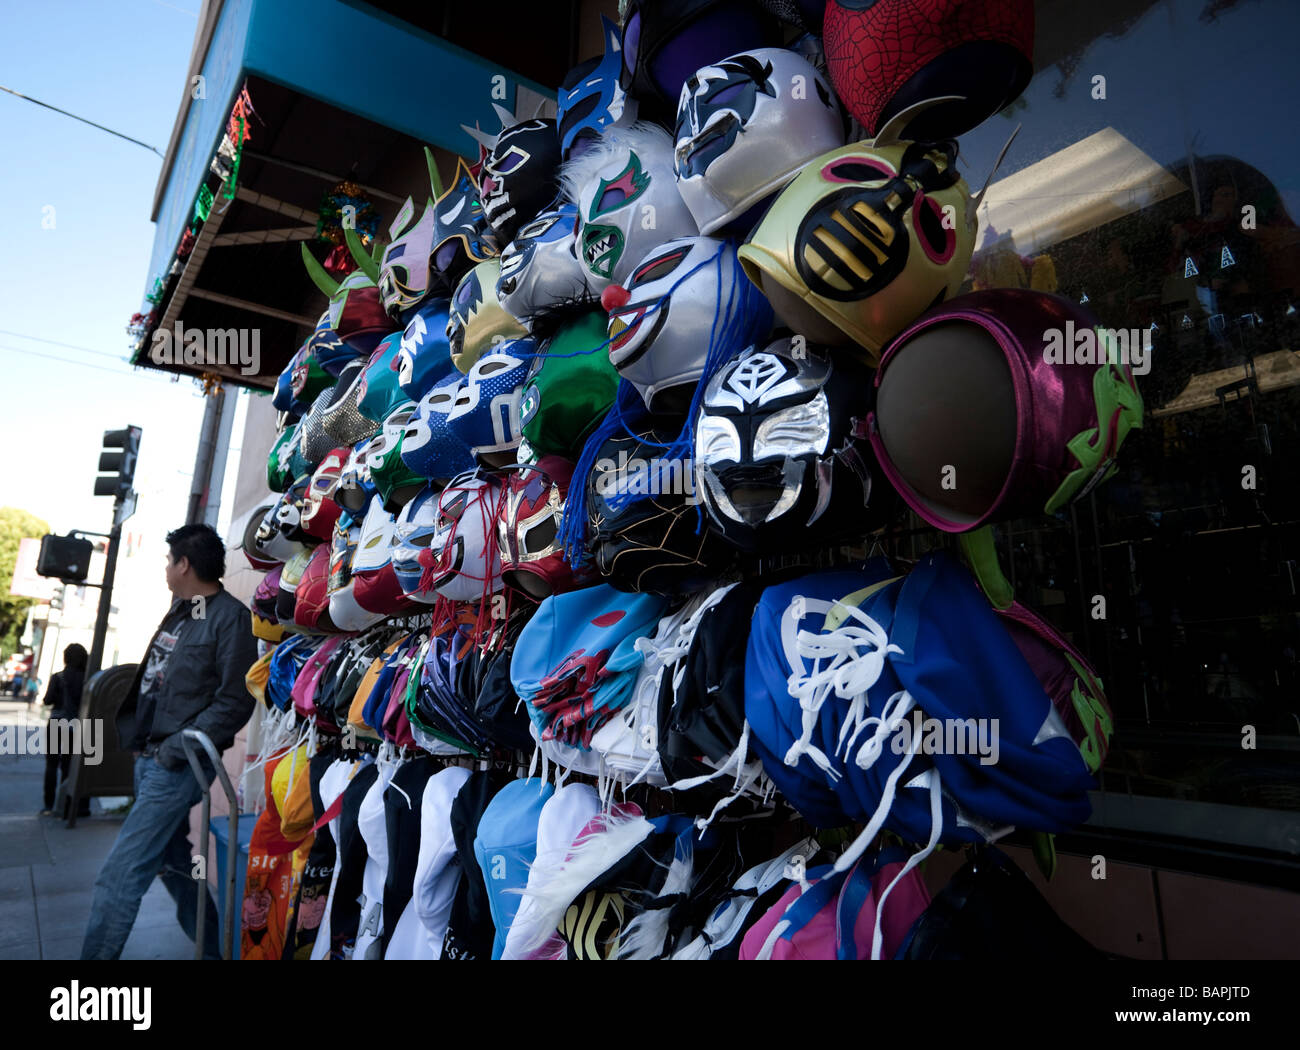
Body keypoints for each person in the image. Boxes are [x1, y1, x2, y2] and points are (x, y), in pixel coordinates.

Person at [81, 524, 258, 961]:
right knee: (173, 862)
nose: (165, 567)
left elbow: (235, 700)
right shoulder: (181, 610)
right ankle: (217, 952)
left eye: (168, 560)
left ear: (184, 564)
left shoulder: (230, 617)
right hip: (150, 756)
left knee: (121, 874)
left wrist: (175, 750)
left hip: (175, 765)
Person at [40, 644, 88, 817]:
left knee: (51, 765)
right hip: (75, 725)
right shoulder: (87, 679)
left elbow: (47, 700)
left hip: (56, 722)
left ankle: (48, 805)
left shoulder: (58, 677)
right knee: (68, 766)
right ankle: (65, 805)